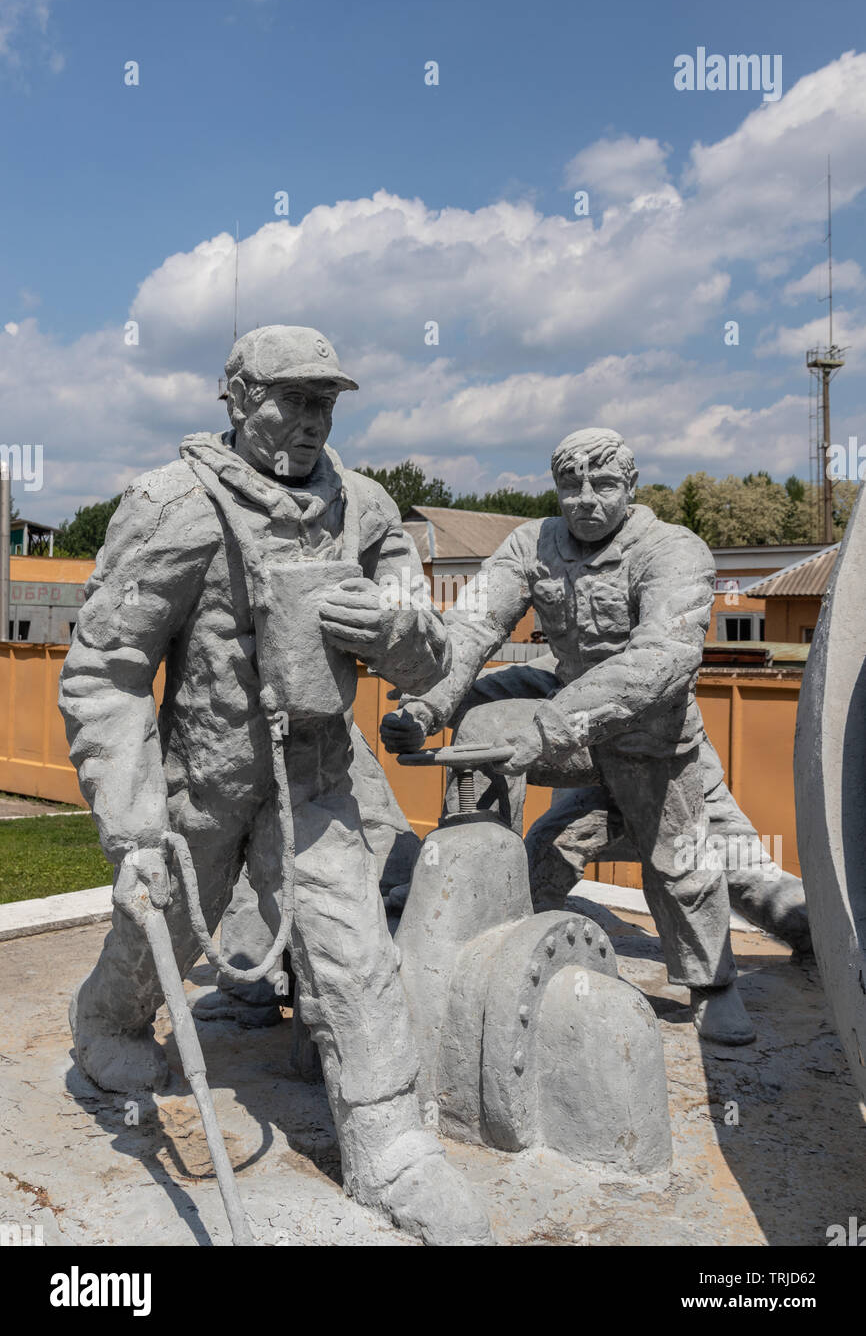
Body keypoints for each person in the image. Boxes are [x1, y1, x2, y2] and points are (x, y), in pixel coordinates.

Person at [59, 325, 492, 1246]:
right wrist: (135, 827)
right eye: (288, 401)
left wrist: (391, 634)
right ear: (235, 395)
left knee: (353, 953)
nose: (309, 423)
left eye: (324, 404)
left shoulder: (366, 508)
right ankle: (105, 1025)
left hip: (319, 781)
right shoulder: (174, 505)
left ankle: (390, 1142)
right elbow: (108, 670)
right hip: (200, 787)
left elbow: (430, 651)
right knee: (165, 928)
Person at [382, 426, 756, 1045]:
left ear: (631, 488)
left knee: (678, 861)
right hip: (569, 702)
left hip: (649, 733)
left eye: (604, 483)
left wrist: (550, 728)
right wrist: (425, 707)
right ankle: (470, 872)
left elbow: (660, 660)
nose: (585, 498)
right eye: (570, 484)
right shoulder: (533, 542)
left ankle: (714, 985)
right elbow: (472, 628)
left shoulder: (672, 550)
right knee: (478, 711)